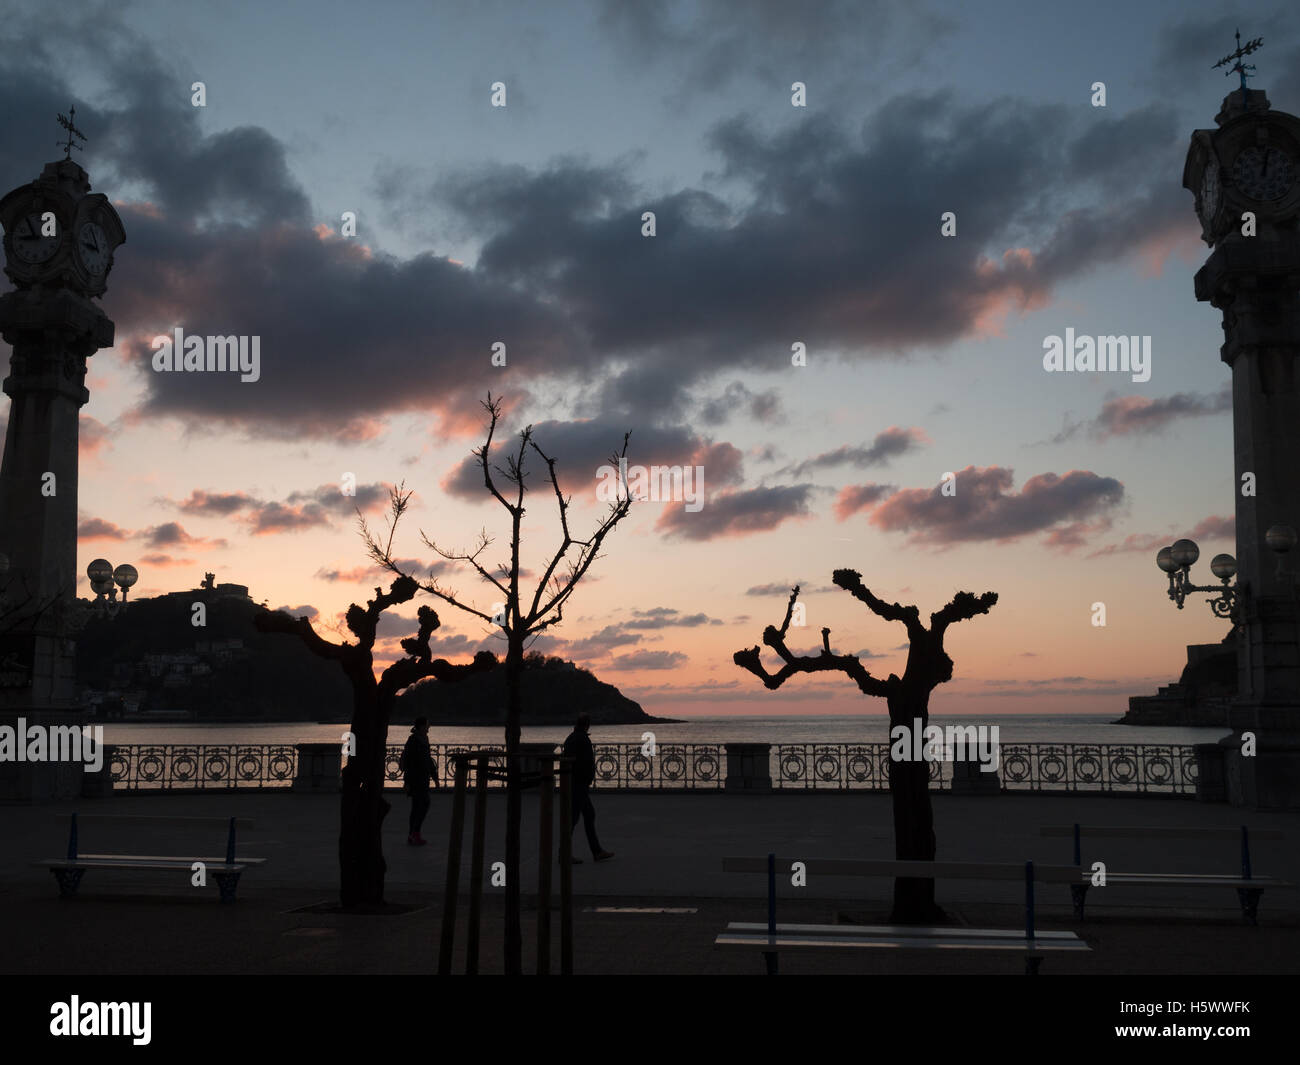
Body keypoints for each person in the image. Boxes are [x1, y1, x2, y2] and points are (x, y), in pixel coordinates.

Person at [562, 712, 614, 863]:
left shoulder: (571, 738)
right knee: (573, 819)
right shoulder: (582, 739)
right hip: (579, 784)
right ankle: (565, 853)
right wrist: (588, 777)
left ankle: (596, 851)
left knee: (587, 815)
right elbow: (584, 762)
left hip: (575, 782)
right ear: (587, 725)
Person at [400, 717, 439, 845]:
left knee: (417, 807)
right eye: (428, 725)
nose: (429, 727)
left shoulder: (423, 739)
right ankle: (414, 833)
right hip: (416, 779)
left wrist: (434, 777)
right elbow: (408, 762)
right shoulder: (413, 740)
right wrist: (407, 781)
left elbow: (428, 760)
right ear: (422, 726)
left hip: (422, 779)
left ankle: (412, 834)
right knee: (423, 804)